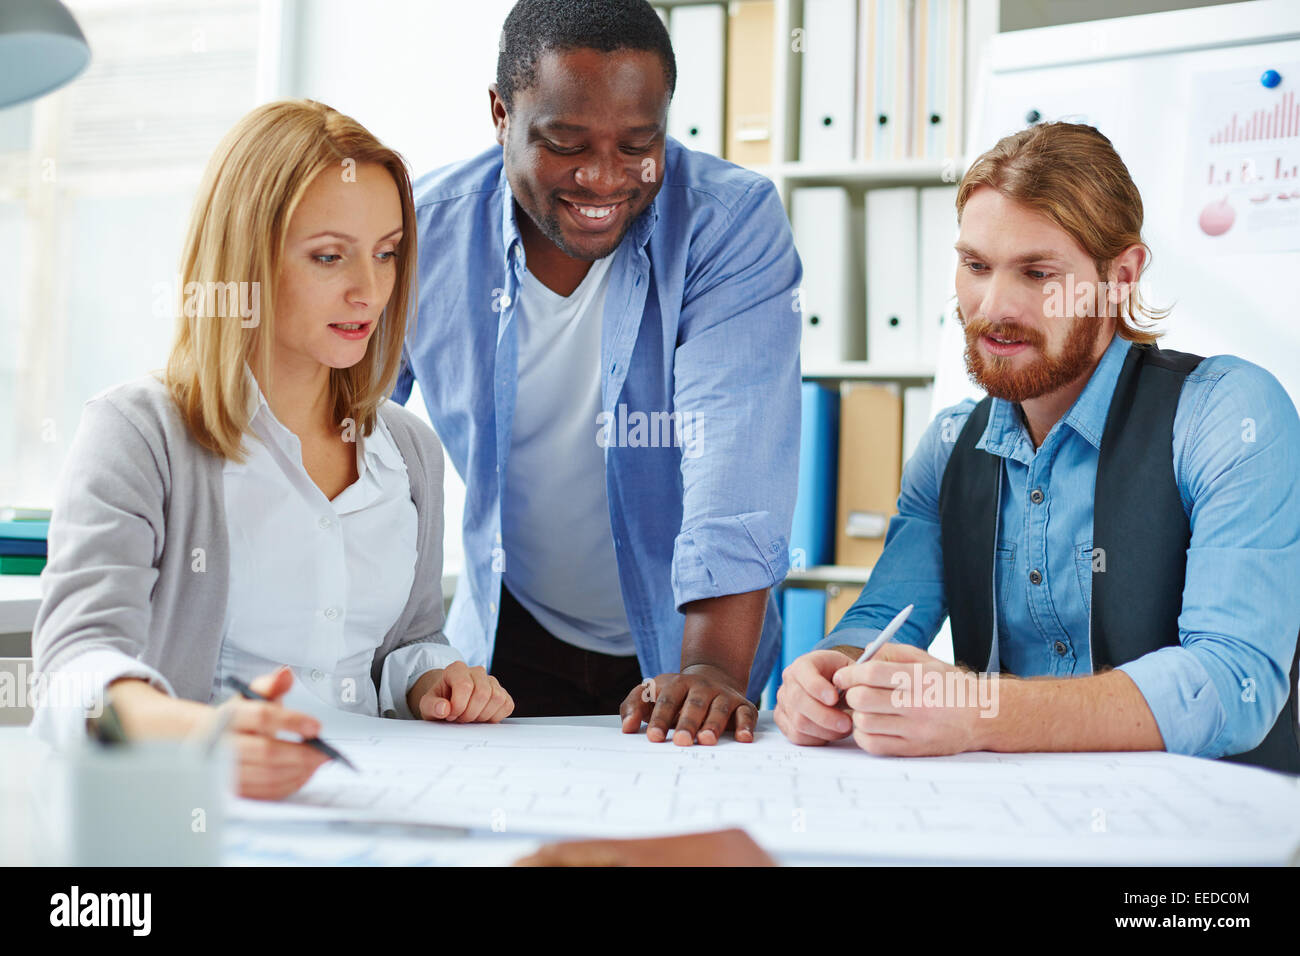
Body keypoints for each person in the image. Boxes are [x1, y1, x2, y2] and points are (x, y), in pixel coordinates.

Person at [775, 122, 1300, 774]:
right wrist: (831, 672)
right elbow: (883, 620)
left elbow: (1234, 680)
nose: (993, 306)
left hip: (1201, 834)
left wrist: (979, 711)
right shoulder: (949, 447)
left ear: (1121, 276)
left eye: (1038, 272)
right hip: (1017, 819)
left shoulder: (1227, 412)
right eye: (975, 266)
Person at [32, 100, 513, 800]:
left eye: (386, 253)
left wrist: (436, 681)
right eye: (328, 256)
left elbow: (407, 640)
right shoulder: (139, 433)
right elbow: (73, 669)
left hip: (372, 800)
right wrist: (200, 739)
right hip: (203, 813)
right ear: (245, 258)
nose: (370, 290)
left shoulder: (407, 451)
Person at [396, 0, 801, 744]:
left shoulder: (729, 222)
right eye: (564, 141)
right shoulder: (422, 233)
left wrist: (710, 671)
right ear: (500, 112)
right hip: (504, 640)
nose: (602, 178)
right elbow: (339, 434)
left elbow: (734, 449)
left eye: (637, 144)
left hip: (691, 641)